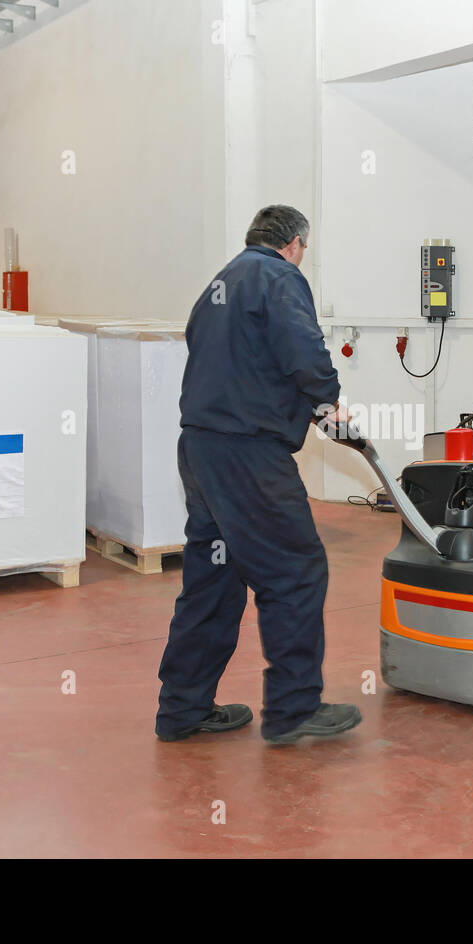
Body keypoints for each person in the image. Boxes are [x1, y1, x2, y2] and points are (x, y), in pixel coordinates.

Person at [155, 205, 363, 746]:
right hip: (248, 457)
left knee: (215, 580)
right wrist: (328, 403)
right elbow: (302, 348)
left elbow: (232, 357)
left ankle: (181, 708)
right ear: (296, 243)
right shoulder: (279, 277)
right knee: (294, 570)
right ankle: (294, 709)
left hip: (201, 449)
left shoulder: (220, 283)